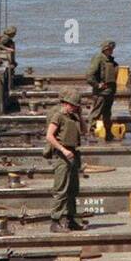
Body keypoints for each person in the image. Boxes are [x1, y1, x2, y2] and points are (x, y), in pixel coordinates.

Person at [46, 90, 86, 232]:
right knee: (61, 189)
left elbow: (84, 131)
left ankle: (71, 219)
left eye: (76, 106)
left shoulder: (74, 117)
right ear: (66, 103)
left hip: (73, 154)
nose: (74, 108)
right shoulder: (58, 116)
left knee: (72, 189)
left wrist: (80, 116)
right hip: (62, 155)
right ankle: (55, 221)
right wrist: (63, 150)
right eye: (73, 105)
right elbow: (49, 136)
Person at [86, 39, 120, 138]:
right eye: (110, 49)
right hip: (101, 93)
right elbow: (89, 75)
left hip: (109, 92)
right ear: (105, 49)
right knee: (96, 113)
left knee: (107, 114)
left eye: (112, 49)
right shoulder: (99, 58)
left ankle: (108, 133)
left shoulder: (110, 60)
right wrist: (97, 85)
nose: (112, 51)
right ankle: (90, 133)